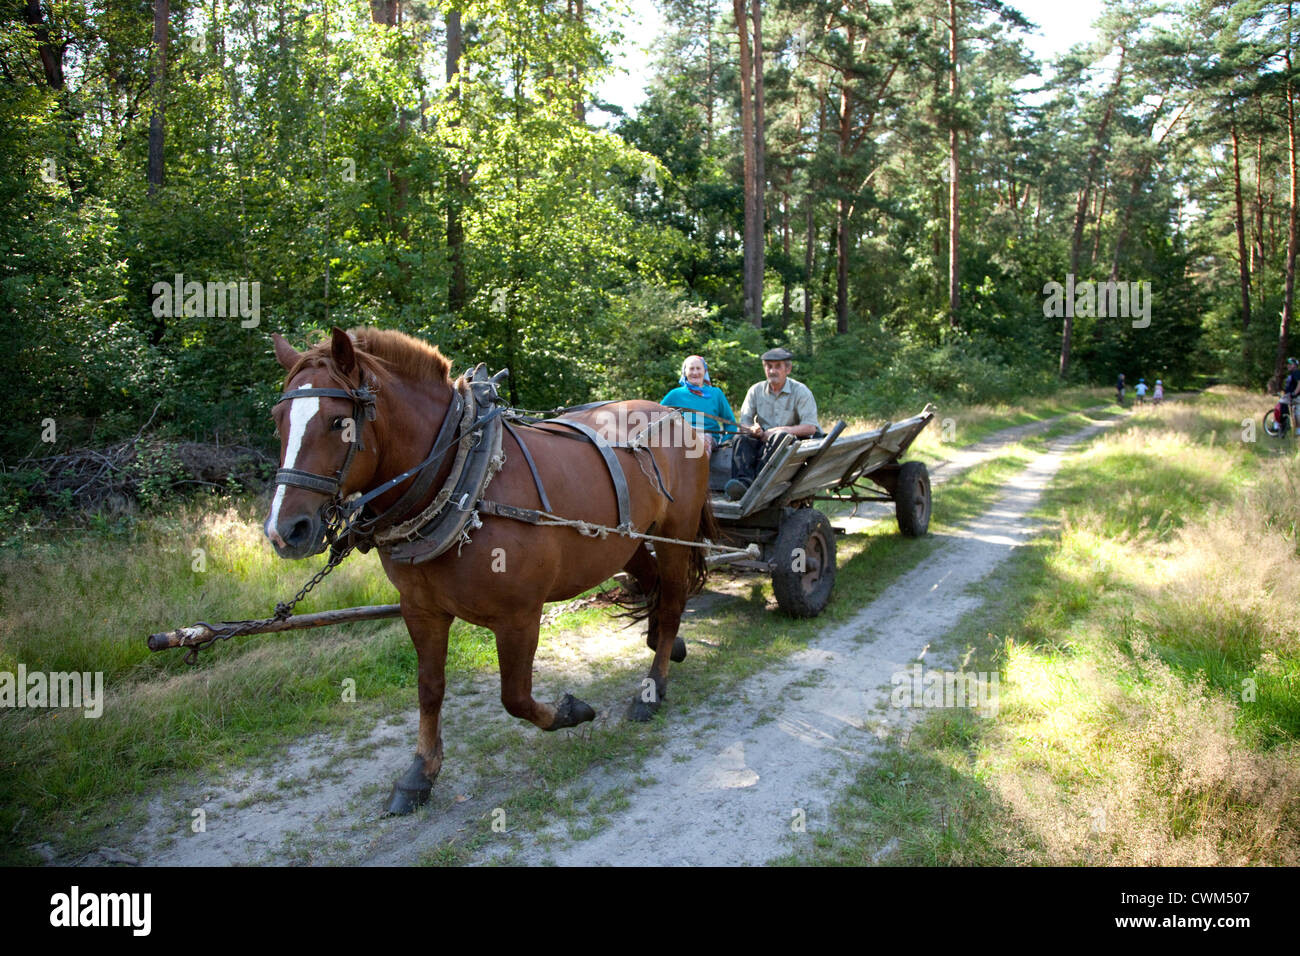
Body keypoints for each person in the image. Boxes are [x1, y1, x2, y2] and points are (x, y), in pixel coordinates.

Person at [725, 347, 820, 500]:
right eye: (768, 366)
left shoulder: (801, 391)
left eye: (777, 366)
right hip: (761, 441)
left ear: (787, 369)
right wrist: (753, 429)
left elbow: (810, 427)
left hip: (790, 445)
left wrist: (780, 430)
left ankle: (762, 484)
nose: (772, 371)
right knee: (740, 438)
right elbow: (745, 422)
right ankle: (743, 483)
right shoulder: (755, 390)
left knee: (780, 436)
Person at [659, 355, 737, 454]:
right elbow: (657, 416)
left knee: (697, 442)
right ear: (685, 372)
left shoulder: (716, 393)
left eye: (698, 368)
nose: (695, 372)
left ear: (704, 371)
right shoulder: (675, 394)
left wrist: (723, 442)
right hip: (680, 436)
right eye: (691, 369)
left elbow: (730, 423)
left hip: (707, 437)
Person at [1284, 358, 1300, 435]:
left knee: (1297, 414)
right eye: (1288, 364)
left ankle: (1298, 431)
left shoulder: (1296, 372)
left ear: (1295, 365)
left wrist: (1294, 393)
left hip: (1296, 397)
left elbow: (1299, 384)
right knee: (1293, 414)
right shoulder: (1292, 374)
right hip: (1290, 397)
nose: (1288, 365)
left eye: (1290, 364)